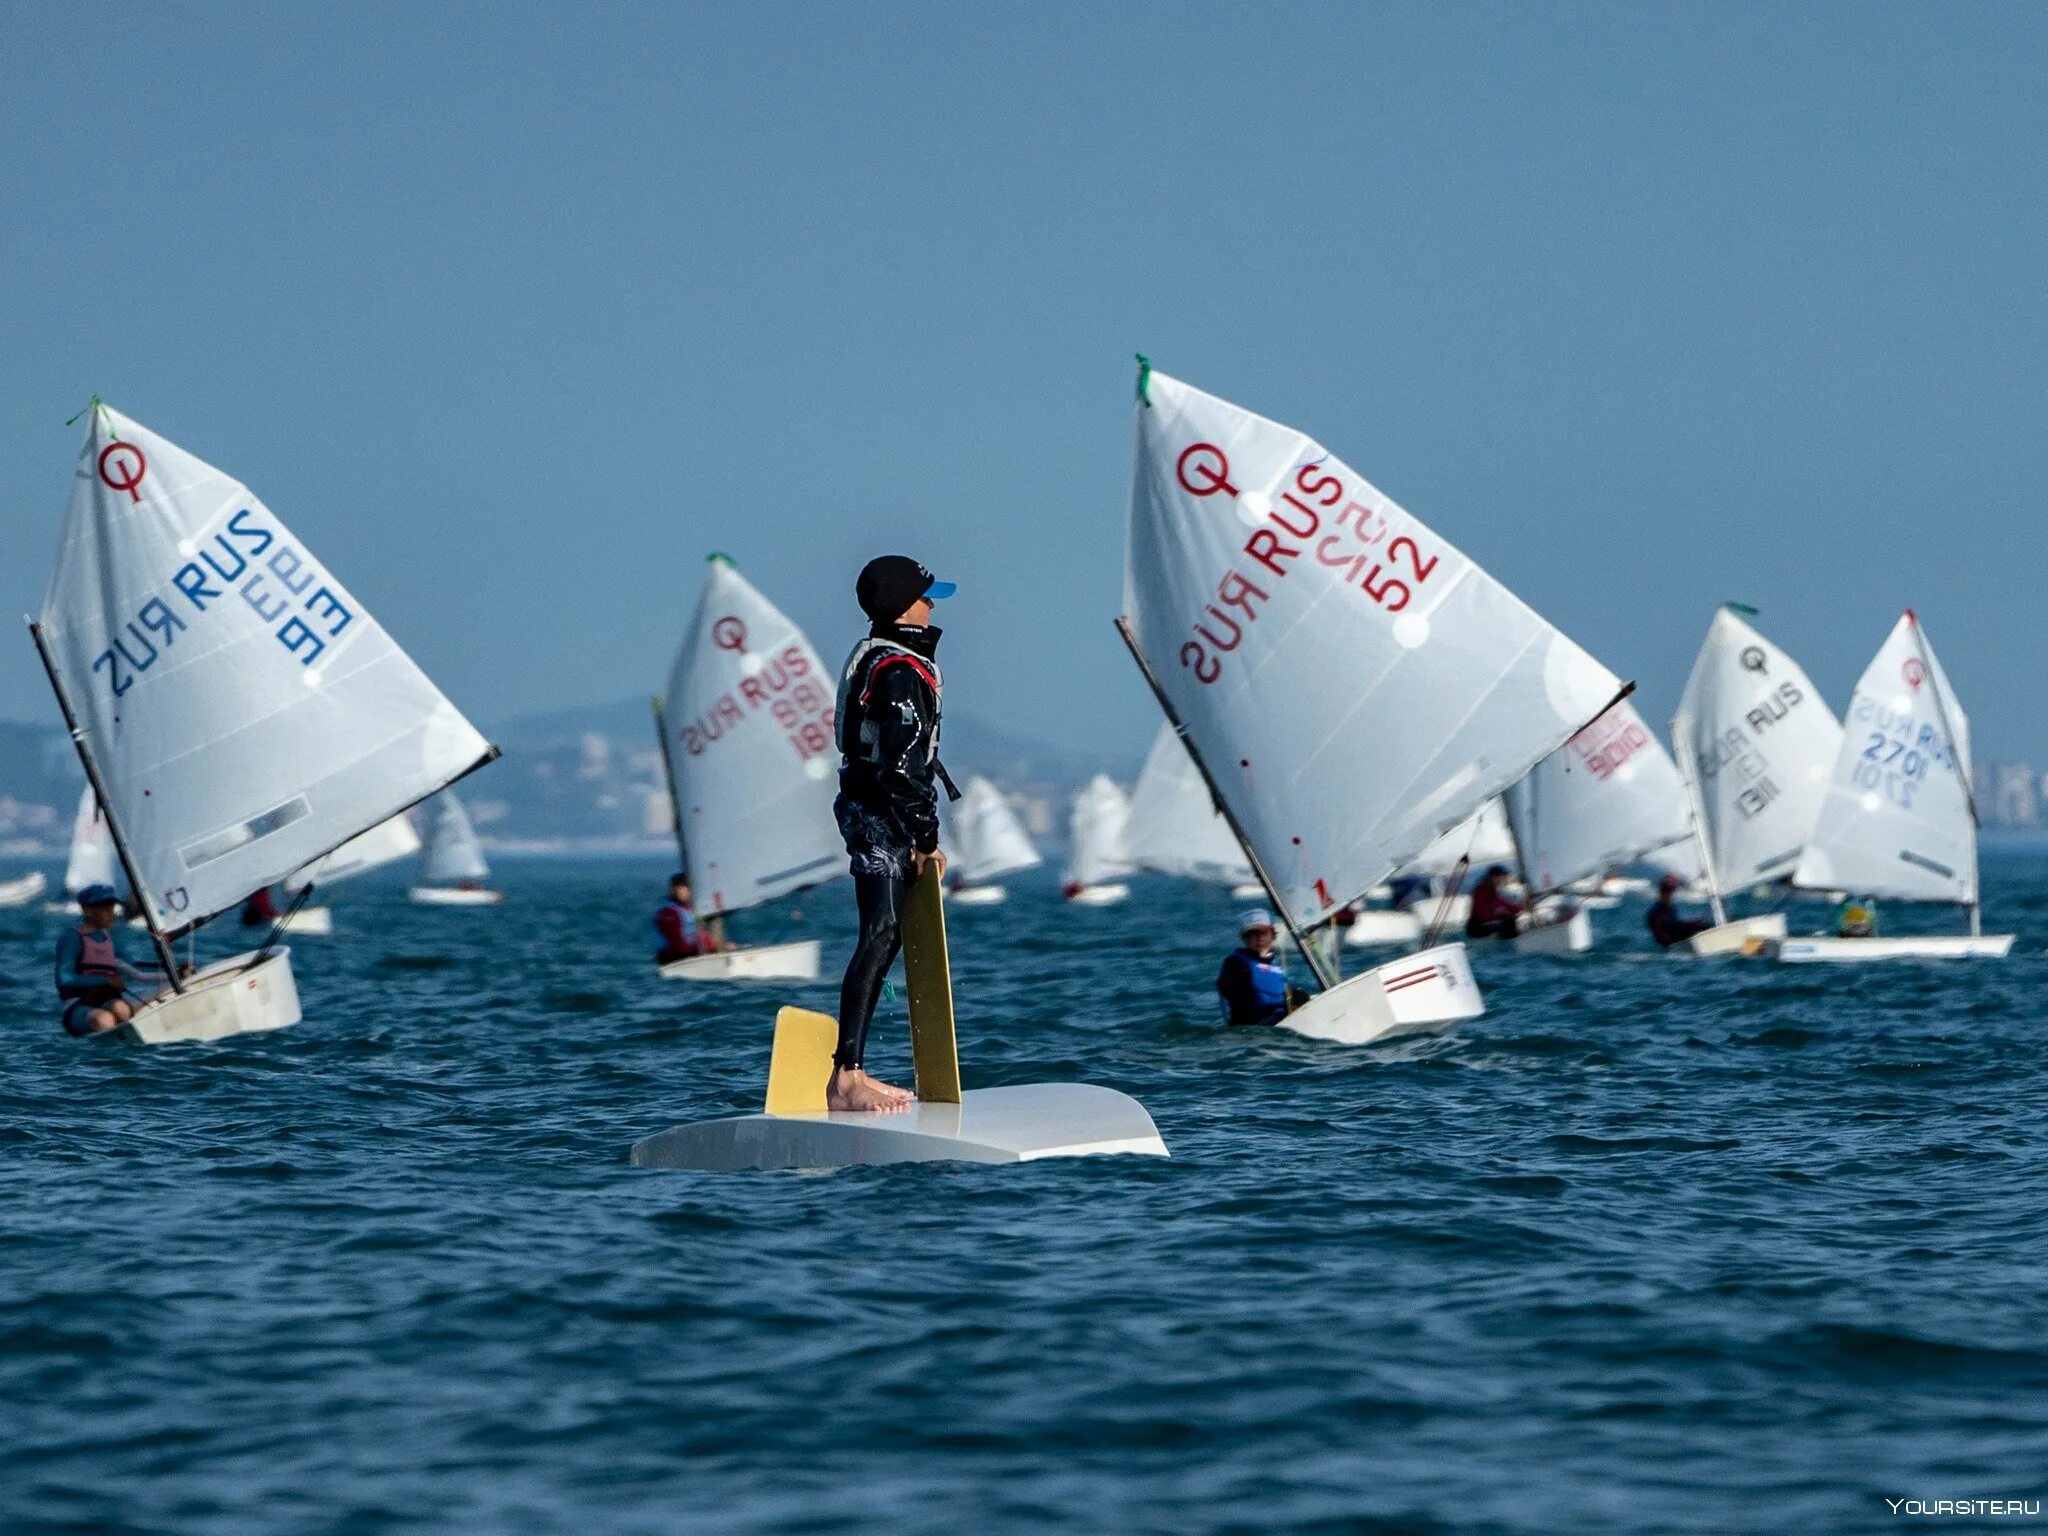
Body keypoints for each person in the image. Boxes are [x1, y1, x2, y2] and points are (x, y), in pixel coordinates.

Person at [828, 555, 959, 1113]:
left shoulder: (887, 659)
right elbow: (902, 770)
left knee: (885, 933)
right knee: (880, 932)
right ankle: (847, 1077)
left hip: (873, 808)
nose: (933, 606)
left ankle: (850, 1071)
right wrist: (925, 839)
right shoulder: (901, 670)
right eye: (928, 597)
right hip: (881, 814)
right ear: (907, 606)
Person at [53, 884, 147, 1037]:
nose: (112, 914)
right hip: (79, 1006)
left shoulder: (111, 940)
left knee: (121, 1009)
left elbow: (135, 969)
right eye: (105, 909)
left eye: (112, 908)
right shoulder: (71, 939)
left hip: (108, 1000)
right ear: (87, 910)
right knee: (104, 1020)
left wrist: (174, 971)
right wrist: (105, 980)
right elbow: (65, 979)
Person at [1215, 911, 1305, 1027]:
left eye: (1263, 932)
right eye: (1253, 933)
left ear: (1272, 935)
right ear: (1245, 938)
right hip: (1252, 1025)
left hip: (1277, 1019)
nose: (1259, 937)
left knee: (1302, 997)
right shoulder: (1234, 963)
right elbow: (1240, 998)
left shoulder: (1275, 966)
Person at [653, 874, 718, 965]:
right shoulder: (668, 913)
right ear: (672, 890)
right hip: (673, 959)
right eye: (679, 887)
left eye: (686, 887)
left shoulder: (696, 911)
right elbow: (678, 944)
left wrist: (717, 946)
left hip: (695, 954)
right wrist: (705, 950)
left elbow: (702, 934)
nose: (682, 891)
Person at [1646, 872, 1712, 948]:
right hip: (1671, 941)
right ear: (1662, 892)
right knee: (1703, 926)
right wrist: (1694, 923)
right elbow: (1670, 927)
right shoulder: (1657, 910)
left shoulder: (1667, 907)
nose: (1671, 894)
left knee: (1704, 925)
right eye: (1668, 891)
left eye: (1672, 891)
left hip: (1673, 937)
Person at [1465, 865, 1524, 940]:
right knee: (1506, 923)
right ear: (1493, 878)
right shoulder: (1481, 891)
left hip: (1485, 924)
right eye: (1501, 877)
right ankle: (1510, 944)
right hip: (1476, 929)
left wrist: (1520, 907)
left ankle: (1513, 940)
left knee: (1509, 919)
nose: (1503, 880)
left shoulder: (1492, 890)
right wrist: (1495, 912)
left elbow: (1503, 903)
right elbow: (1482, 913)